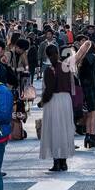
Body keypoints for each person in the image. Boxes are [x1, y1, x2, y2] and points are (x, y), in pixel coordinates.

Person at [39, 44, 77, 172]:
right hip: (66, 100)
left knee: (54, 130)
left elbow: (49, 89)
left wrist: (42, 102)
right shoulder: (66, 67)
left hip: (54, 101)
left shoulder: (50, 70)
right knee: (64, 130)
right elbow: (73, 85)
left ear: (47, 55)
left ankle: (56, 162)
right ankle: (64, 161)